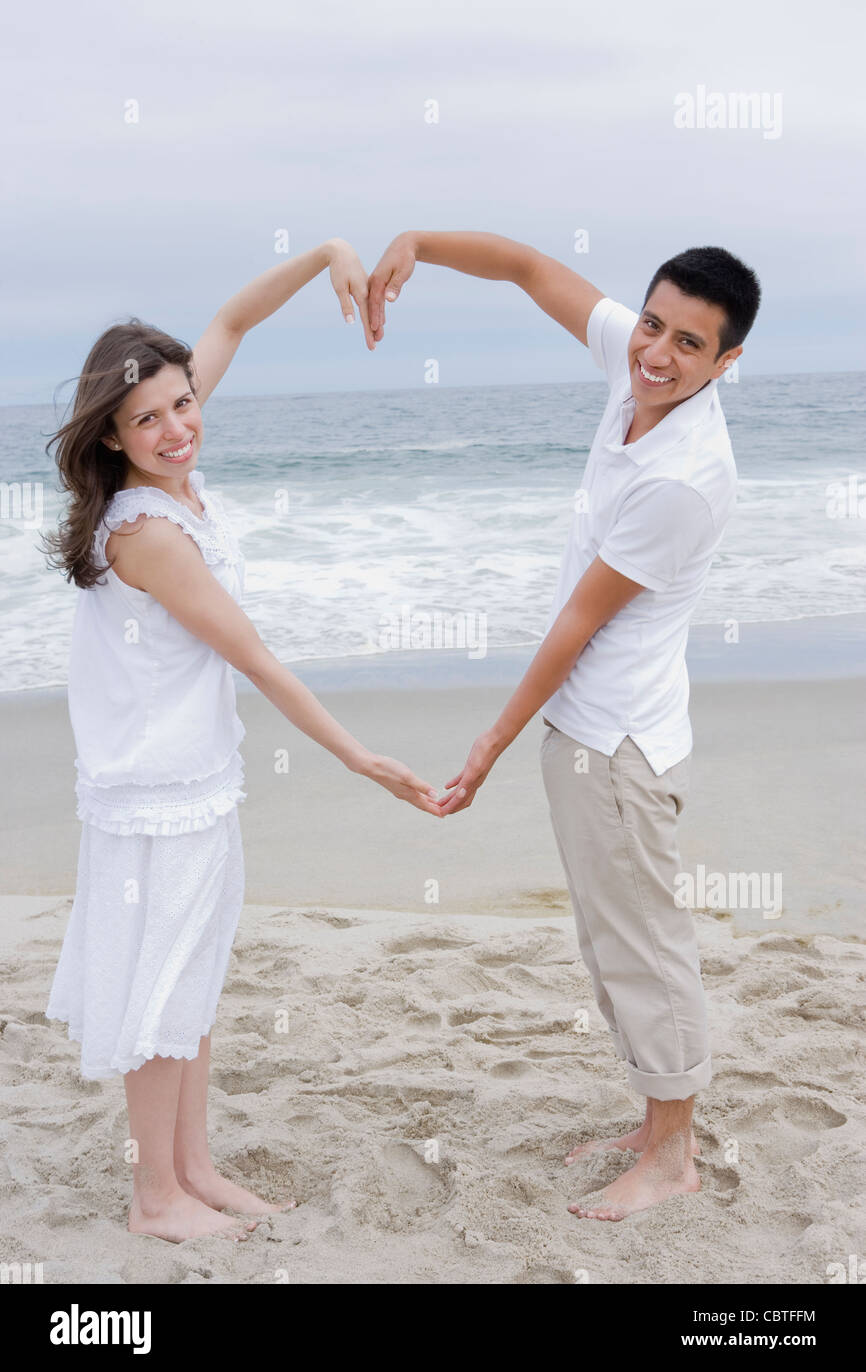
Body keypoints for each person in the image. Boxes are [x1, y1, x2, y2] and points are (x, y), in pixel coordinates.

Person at [40, 237, 443, 1245]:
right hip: (156, 792)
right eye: (149, 418)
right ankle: (152, 1197)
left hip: (195, 777)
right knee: (157, 995)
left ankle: (192, 1167)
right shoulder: (148, 534)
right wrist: (359, 756)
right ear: (113, 435)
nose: (178, 426)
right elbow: (256, 658)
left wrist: (325, 257)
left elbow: (227, 324)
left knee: (193, 982)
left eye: (183, 402)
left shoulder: (166, 456)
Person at [368, 232, 761, 1221]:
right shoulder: (637, 370)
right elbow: (531, 269)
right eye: (652, 324)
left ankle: (670, 1155)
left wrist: (488, 745)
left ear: (724, 364)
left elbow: (578, 624)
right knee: (609, 937)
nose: (655, 353)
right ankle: (653, 1118)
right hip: (592, 731)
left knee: (640, 942)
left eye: (687, 344)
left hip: (615, 743)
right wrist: (419, 242)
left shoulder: (681, 475)